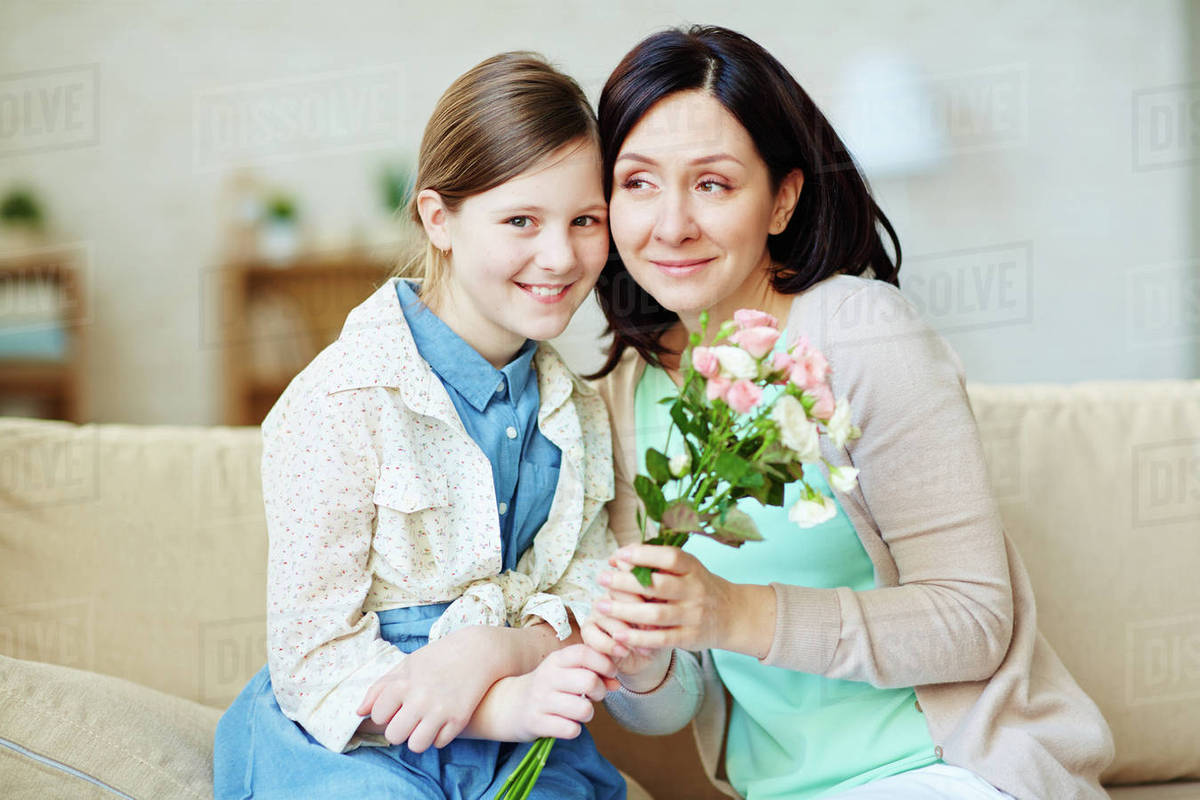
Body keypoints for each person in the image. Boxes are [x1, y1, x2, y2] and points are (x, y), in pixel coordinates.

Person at [580, 25, 1115, 800]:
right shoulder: (626, 395)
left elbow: (972, 620)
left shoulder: (862, 333)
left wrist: (735, 612)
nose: (670, 225)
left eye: (713, 184)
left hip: (951, 771)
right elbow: (677, 703)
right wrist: (644, 661)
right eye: (637, 182)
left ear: (782, 199)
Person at [213, 51, 628, 800]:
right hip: (355, 735)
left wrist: (501, 650)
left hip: (524, 730)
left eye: (585, 220)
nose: (561, 255)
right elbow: (313, 654)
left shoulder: (580, 411)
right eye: (521, 220)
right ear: (440, 219)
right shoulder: (340, 399)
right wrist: (496, 705)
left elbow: (590, 585)